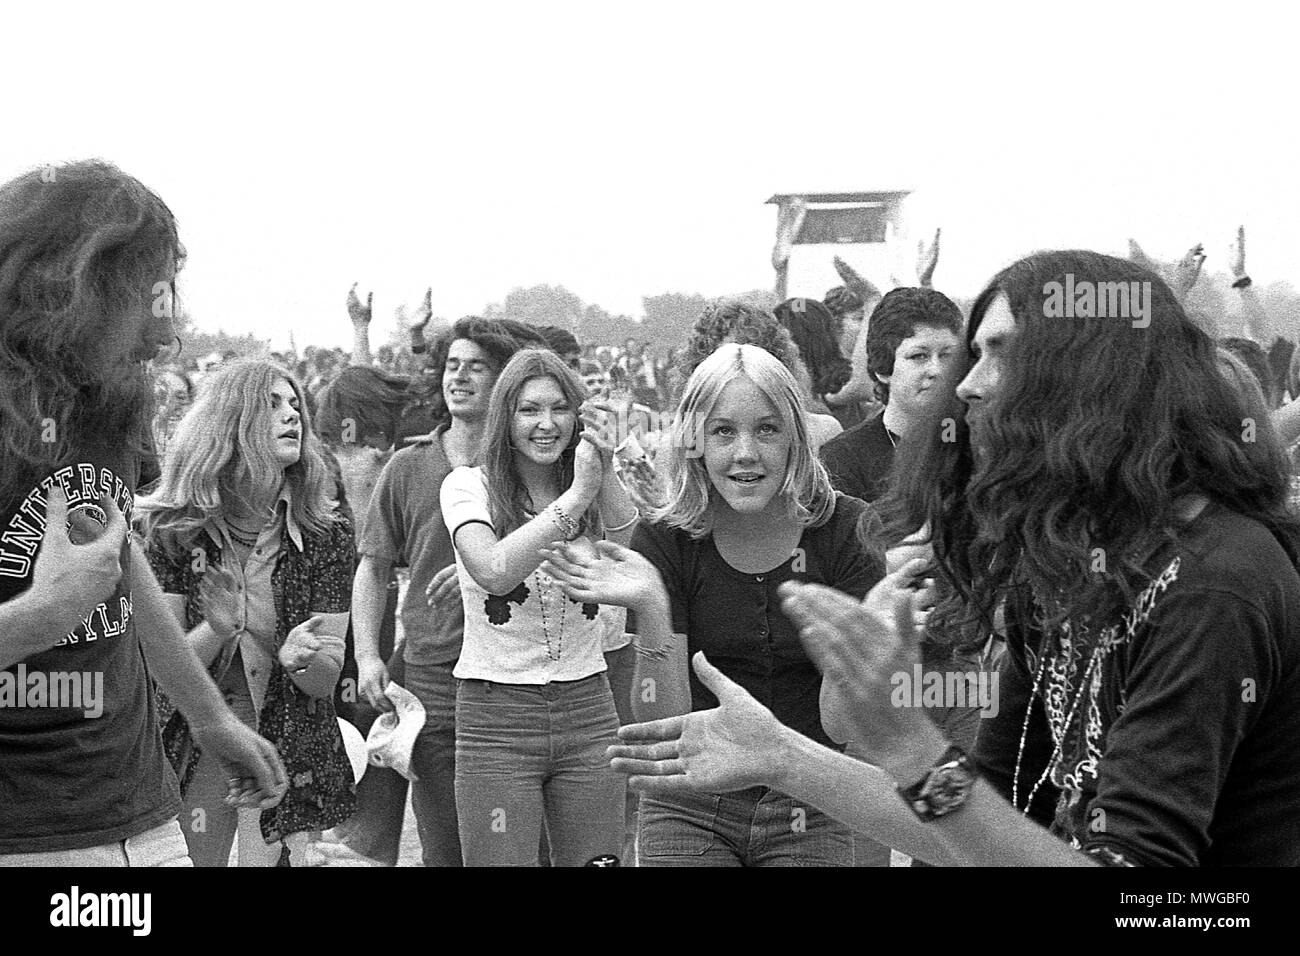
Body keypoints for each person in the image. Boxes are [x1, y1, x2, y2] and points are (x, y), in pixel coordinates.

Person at [610, 250, 1300, 866]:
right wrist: (786, 759)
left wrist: (910, 744)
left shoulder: (1213, 583)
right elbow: (979, 828)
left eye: (1000, 352)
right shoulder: (1070, 575)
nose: (967, 384)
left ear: (1096, 374)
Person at [0, 160, 285, 865]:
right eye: (150, 292)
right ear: (72, 287)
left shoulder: (108, 400)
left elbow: (116, 558)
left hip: (139, 810)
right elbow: (77, 586)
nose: (167, 326)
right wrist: (43, 613)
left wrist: (209, 714)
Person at [542, 343, 883, 866]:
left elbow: (840, 728)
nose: (745, 452)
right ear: (694, 441)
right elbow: (663, 725)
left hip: (811, 797)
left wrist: (854, 639)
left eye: (767, 429)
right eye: (723, 431)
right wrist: (653, 608)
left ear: (796, 434)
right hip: (688, 801)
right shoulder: (668, 536)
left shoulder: (846, 531)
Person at [136, 360, 356, 866]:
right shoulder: (172, 530)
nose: (291, 416)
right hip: (192, 742)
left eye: (295, 405)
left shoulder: (327, 536)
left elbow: (325, 684)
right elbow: (157, 674)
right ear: (230, 423)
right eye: (272, 405)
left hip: (290, 748)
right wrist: (216, 630)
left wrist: (300, 658)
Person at [351, 318, 546, 866]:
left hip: (518, 675)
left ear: (503, 380)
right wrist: (367, 655)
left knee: (527, 847)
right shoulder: (408, 468)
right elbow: (373, 568)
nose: (459, 376)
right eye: (452, 365)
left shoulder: (530, 468)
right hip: (434, 677)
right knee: (446, 846)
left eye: (476, 366)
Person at [440, 348, 638, 865]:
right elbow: (494, 570)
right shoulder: (467, 485)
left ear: (578, 416)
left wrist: (605, 467)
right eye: (529, 410)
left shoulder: (594, 484)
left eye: (559, 409)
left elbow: (632, 557)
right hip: (495, 716)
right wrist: (576, 497)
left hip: (589, 706)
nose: (546, 424)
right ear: (504, 418)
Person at [819, 287, 963, 504]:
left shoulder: (976, 443)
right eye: (919, 356)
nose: (938, 370)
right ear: (884, 368)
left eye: (947, 355)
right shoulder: (844, 458)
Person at [674, 299, 842, 453]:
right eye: (725, 362)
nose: (741, 369)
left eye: (752, 356)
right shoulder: (684, 440)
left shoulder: (821, 430)